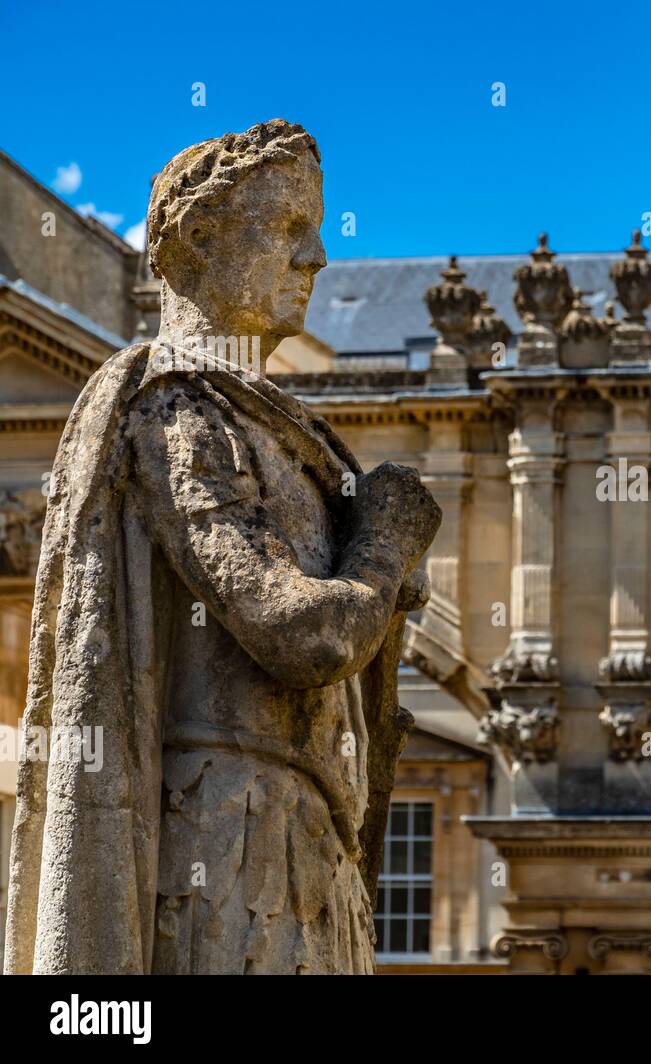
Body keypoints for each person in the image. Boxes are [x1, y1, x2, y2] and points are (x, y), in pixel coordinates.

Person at [4, 120, 440, 974]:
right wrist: (384, 550)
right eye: (285, 230)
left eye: (314, 231)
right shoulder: (177, 409)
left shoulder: (280, 432)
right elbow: (302, 634)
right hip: (223, 846)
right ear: (197, 241)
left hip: (301, 853)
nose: (314, 257)